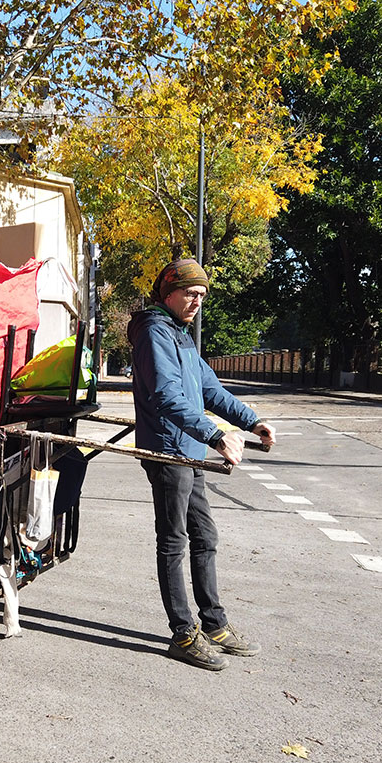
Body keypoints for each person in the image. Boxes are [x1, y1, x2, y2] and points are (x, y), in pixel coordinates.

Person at [128, 258, 276, 671]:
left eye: (202, 296)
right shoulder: (155, 330)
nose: (197, 301)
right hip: (167, 451)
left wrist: (251, 420)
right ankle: (182, 633)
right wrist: (215, 435)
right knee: (173, 541)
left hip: (188, 449)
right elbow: (165, 397)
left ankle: (214, 623)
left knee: (205, 536)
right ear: (168, 292)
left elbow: (208, 387)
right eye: (191, 293)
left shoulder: (180, 335)